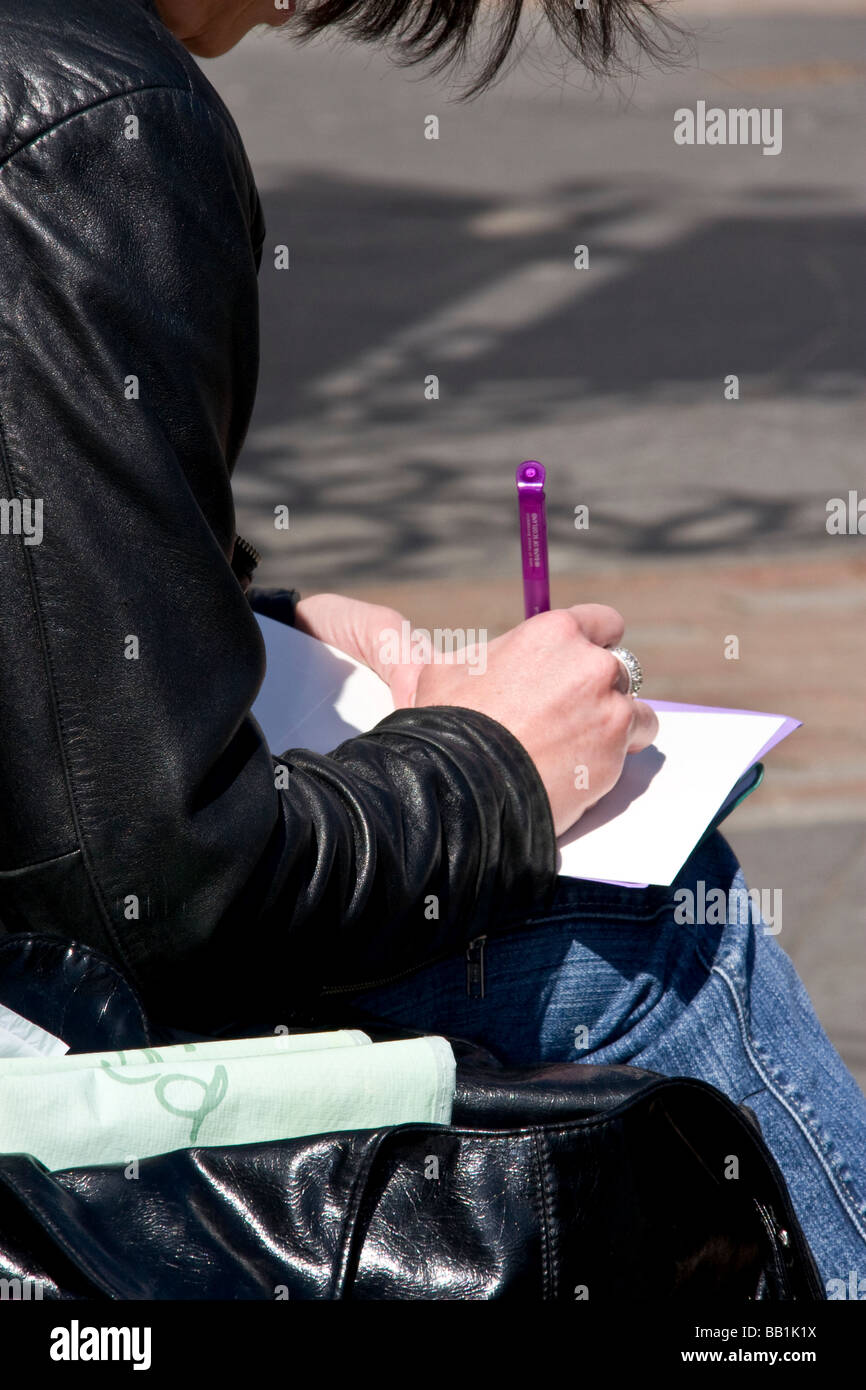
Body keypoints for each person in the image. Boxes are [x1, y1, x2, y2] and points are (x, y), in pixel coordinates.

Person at [0, 0, 862, 1291]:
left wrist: (243, 625)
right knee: (653, 939)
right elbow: (171, 886)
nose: (300, 9)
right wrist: (499, 767)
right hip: (55, 1015)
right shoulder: (97, 125)